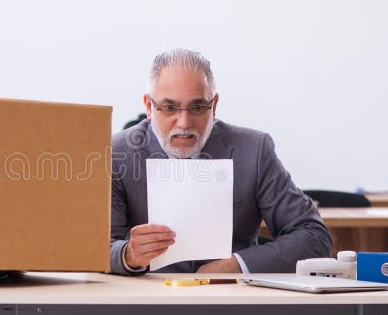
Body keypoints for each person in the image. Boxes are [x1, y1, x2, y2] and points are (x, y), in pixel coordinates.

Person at [110, 48, 332, 275]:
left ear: (213, 105)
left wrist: (237, 264)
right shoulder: (116, 154)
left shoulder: (254, 149)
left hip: (233, 301)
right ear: (149, 107)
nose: (184, 123)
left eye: (197, 107)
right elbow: (96, 247)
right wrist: (128, 255)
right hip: (146, 302)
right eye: (169, 108)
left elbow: (313, 235)